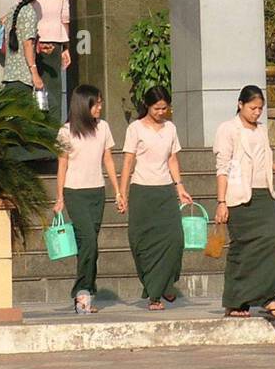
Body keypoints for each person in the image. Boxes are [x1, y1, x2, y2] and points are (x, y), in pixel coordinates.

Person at [214, 85, 275, 320]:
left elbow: (260, 160)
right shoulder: (228, 129)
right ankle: (235, 301)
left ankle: (269, 298)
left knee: (274, 242)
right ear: (240, 104)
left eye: (260, 108)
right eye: (252, 107)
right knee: (244, 249)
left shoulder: (262, 130)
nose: (256, 112)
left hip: (264, 195)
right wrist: (221, 201)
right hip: (239, 197)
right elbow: (223, 167)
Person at [53, 84, 125, 314]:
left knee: (90, 246)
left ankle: (85, 294)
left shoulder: (103, 128)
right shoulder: (66, 131)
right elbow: (62, 165)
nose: (100, 108)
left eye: (101, 103)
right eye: (96, 103)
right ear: (84, 105)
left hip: (97, 192)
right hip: (75, 192)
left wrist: (117, 191)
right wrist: (59, 197)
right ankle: (82, 291)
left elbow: (108, 160)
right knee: (89, 242)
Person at [121, 86, 193, 310]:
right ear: (147, 105)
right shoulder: (135, 129)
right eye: (157, 108)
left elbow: (172, 159)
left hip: (165, 191)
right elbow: (128, 162)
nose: (161, 112)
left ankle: (166, 283)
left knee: (175, 239)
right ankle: (155, 295)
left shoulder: (170, 128)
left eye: (165, 108)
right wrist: (121, 193)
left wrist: (179, 186)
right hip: (142, 191)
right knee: (142, 243)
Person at [28, 0, 70, 125]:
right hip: (56, 40)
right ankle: (53, 131)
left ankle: (37, 130)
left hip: (33, 41)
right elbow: (65, 17)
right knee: (54, 89)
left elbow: (23, 13)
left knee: (35, 87)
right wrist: (65, 47)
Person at [0, 0, 41, 91]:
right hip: (23, 77)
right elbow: (27, 44)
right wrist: (35, 73)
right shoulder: (30, 13)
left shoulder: (12, 12)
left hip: (9, 76)